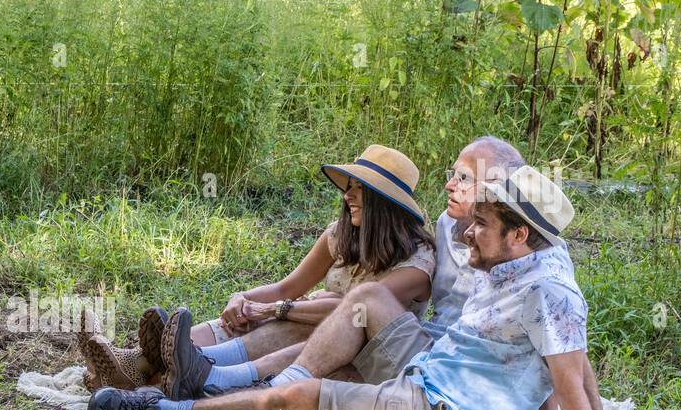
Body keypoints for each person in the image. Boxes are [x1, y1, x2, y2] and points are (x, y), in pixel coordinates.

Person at [89, 166, 665, 410]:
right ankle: (212, 378)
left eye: (482, 226)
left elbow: (571, 371)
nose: (466, 232)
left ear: (519, 237)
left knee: (300, 399)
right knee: (362, 306)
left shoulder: (551, 294)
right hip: (432, 366)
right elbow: (560, 357)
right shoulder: (522, 256)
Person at [80, 145, 435, 392]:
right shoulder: (343, 235)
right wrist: (244, 297)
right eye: (350, 186)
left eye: (361, 190)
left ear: (386, 203)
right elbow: (287, 287)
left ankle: (164, 371)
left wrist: (279, 309)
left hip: (353, 349)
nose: (348, 195)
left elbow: (355, 310)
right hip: (302, 318)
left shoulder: (416, 264)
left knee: (294, 321)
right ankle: (137, 363)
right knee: (244, 320)